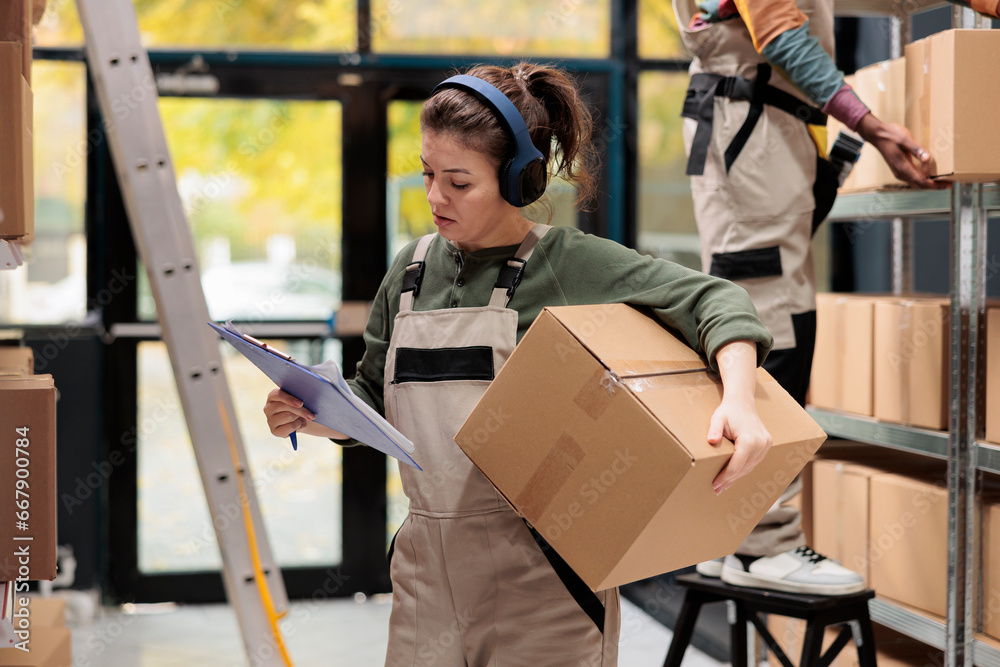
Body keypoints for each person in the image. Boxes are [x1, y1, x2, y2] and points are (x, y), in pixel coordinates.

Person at [264, 62, 775, 666]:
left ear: (518, 180)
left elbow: (717, 300)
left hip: (542, 583)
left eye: (459, 182)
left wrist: (738, 399)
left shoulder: (567, 264)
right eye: (428, 173)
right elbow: (374, 400)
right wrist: (312, 414)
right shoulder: (409, 272)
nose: (435, 197)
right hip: (426, 578)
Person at [672, 0, 944, 595]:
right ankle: (762, 543)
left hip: (762, 132)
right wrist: (872, 126)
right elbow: (781, 35)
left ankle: (735, 536)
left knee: (777, 313)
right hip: (751, 131)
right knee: (770, 327)